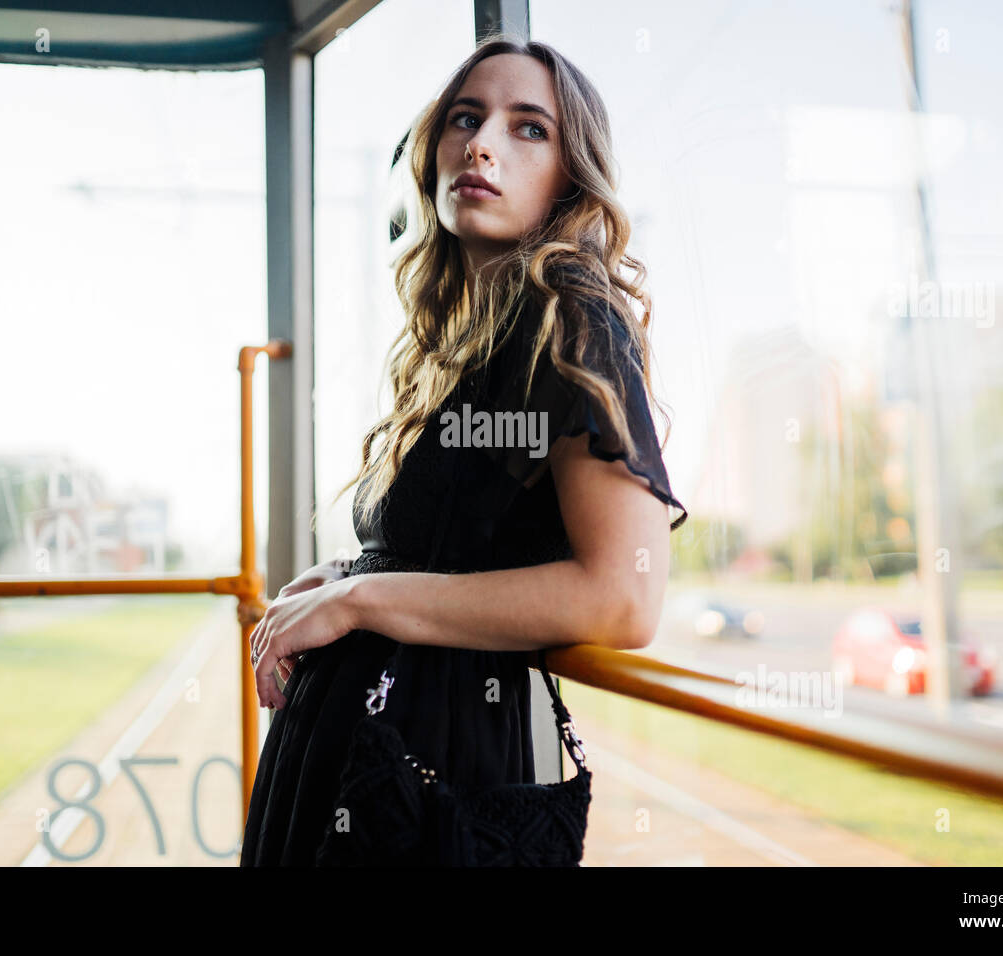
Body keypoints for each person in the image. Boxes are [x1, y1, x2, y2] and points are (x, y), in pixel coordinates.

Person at [240, 35, 688, 866]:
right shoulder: (463, 340)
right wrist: (351, 575)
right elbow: (461, 547)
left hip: (427, 777)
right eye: (466, 118)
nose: (482, 143)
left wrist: (360, 604)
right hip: (352, 752)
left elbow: (624, 598)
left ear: (570, 175)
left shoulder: (571, 318)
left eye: (529, 129)